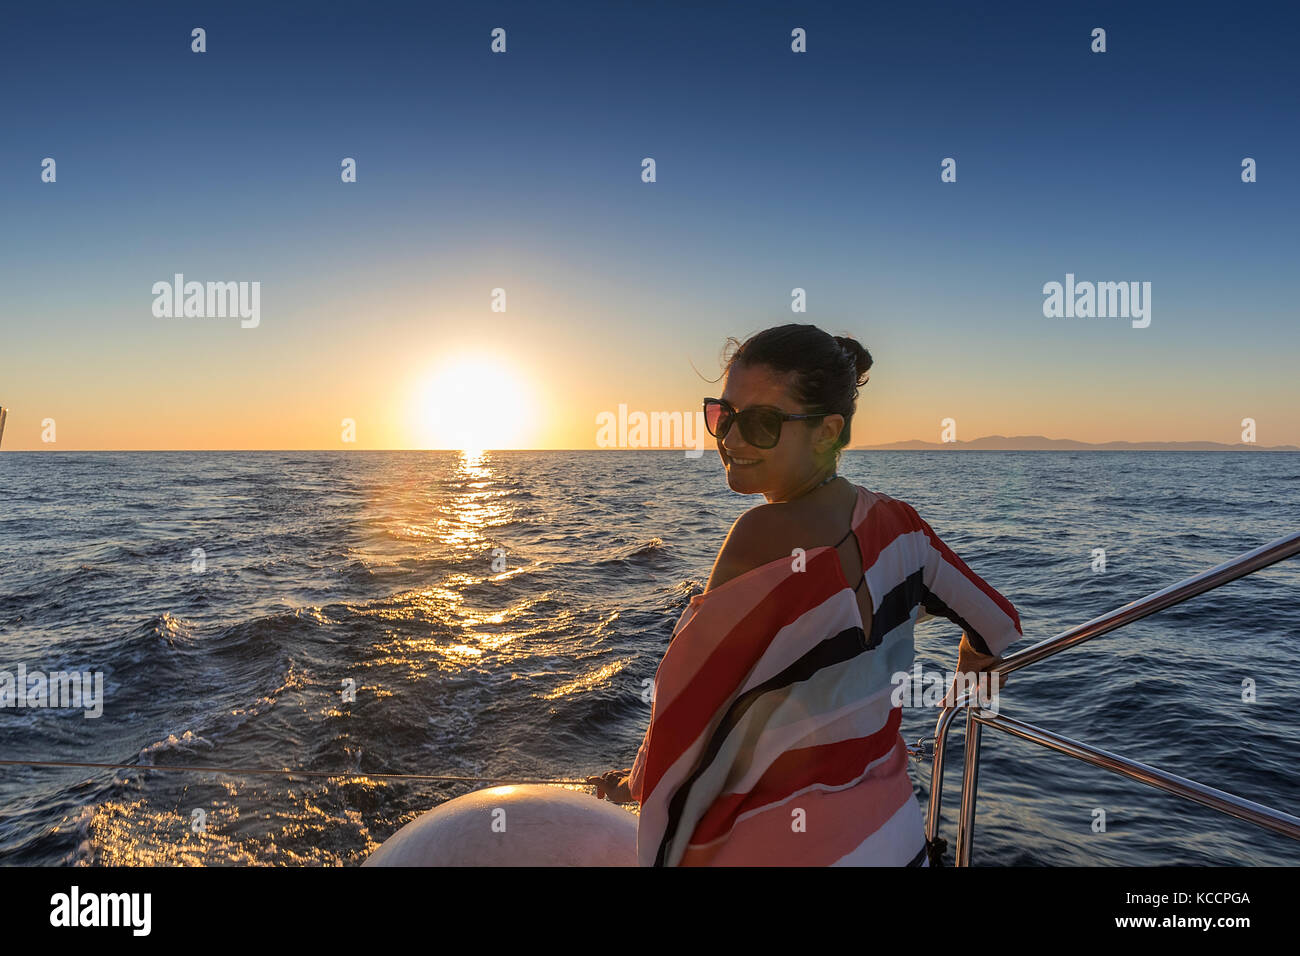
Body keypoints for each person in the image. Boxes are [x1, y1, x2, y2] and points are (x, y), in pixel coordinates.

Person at [588, 323, 1022, 865]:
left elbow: (686, 714)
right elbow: (997, 626)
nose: (732, 439)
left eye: (763, 423)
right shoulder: (904, 527)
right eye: (723, 415)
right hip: (895, 836)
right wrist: (964, 686)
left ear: (827, 431)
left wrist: (637, 784)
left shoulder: (758, 537)